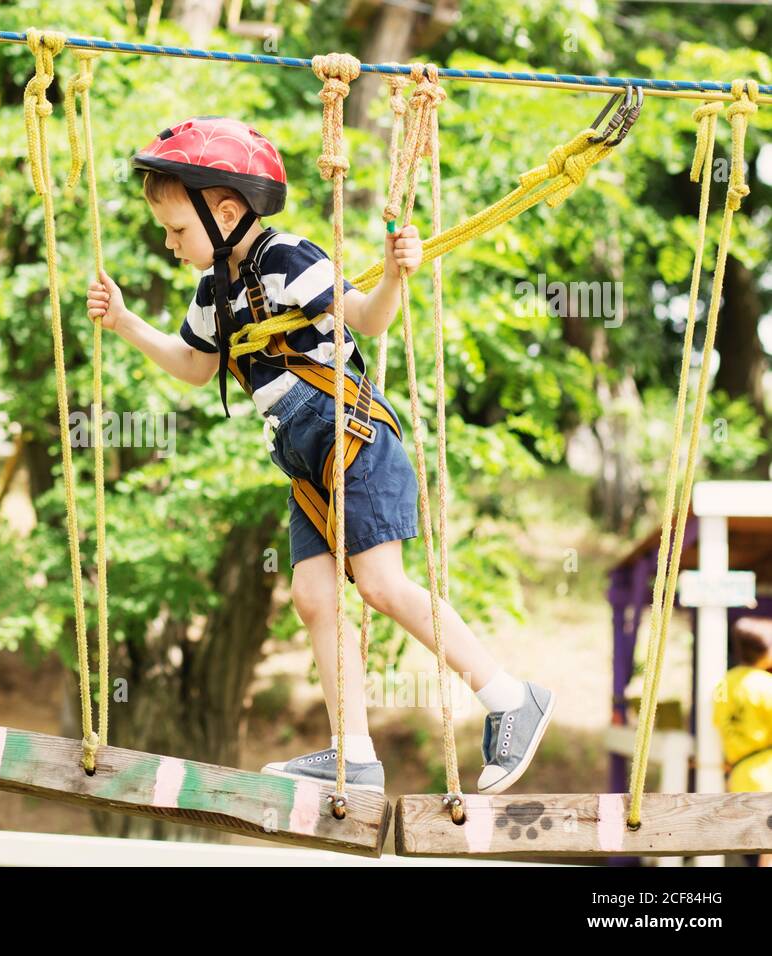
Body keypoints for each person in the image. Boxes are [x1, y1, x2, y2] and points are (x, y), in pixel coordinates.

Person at [86, 117, 554, 794]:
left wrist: (395, 277)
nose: (169, 243)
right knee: (312, 595)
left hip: (352, 438)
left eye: (178, 230)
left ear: (225, 212)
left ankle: (510, 696)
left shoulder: (289, 258)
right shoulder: (215, 290)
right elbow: (194, 365)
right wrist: (126, 322)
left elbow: (366, 317)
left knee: (383, 587)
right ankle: (352, 754)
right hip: (307, 462)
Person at [714, 615, 772, 866]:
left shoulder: (724, 682)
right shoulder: (764, 685)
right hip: (766, 774)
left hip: (738, 775)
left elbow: (718, 723)